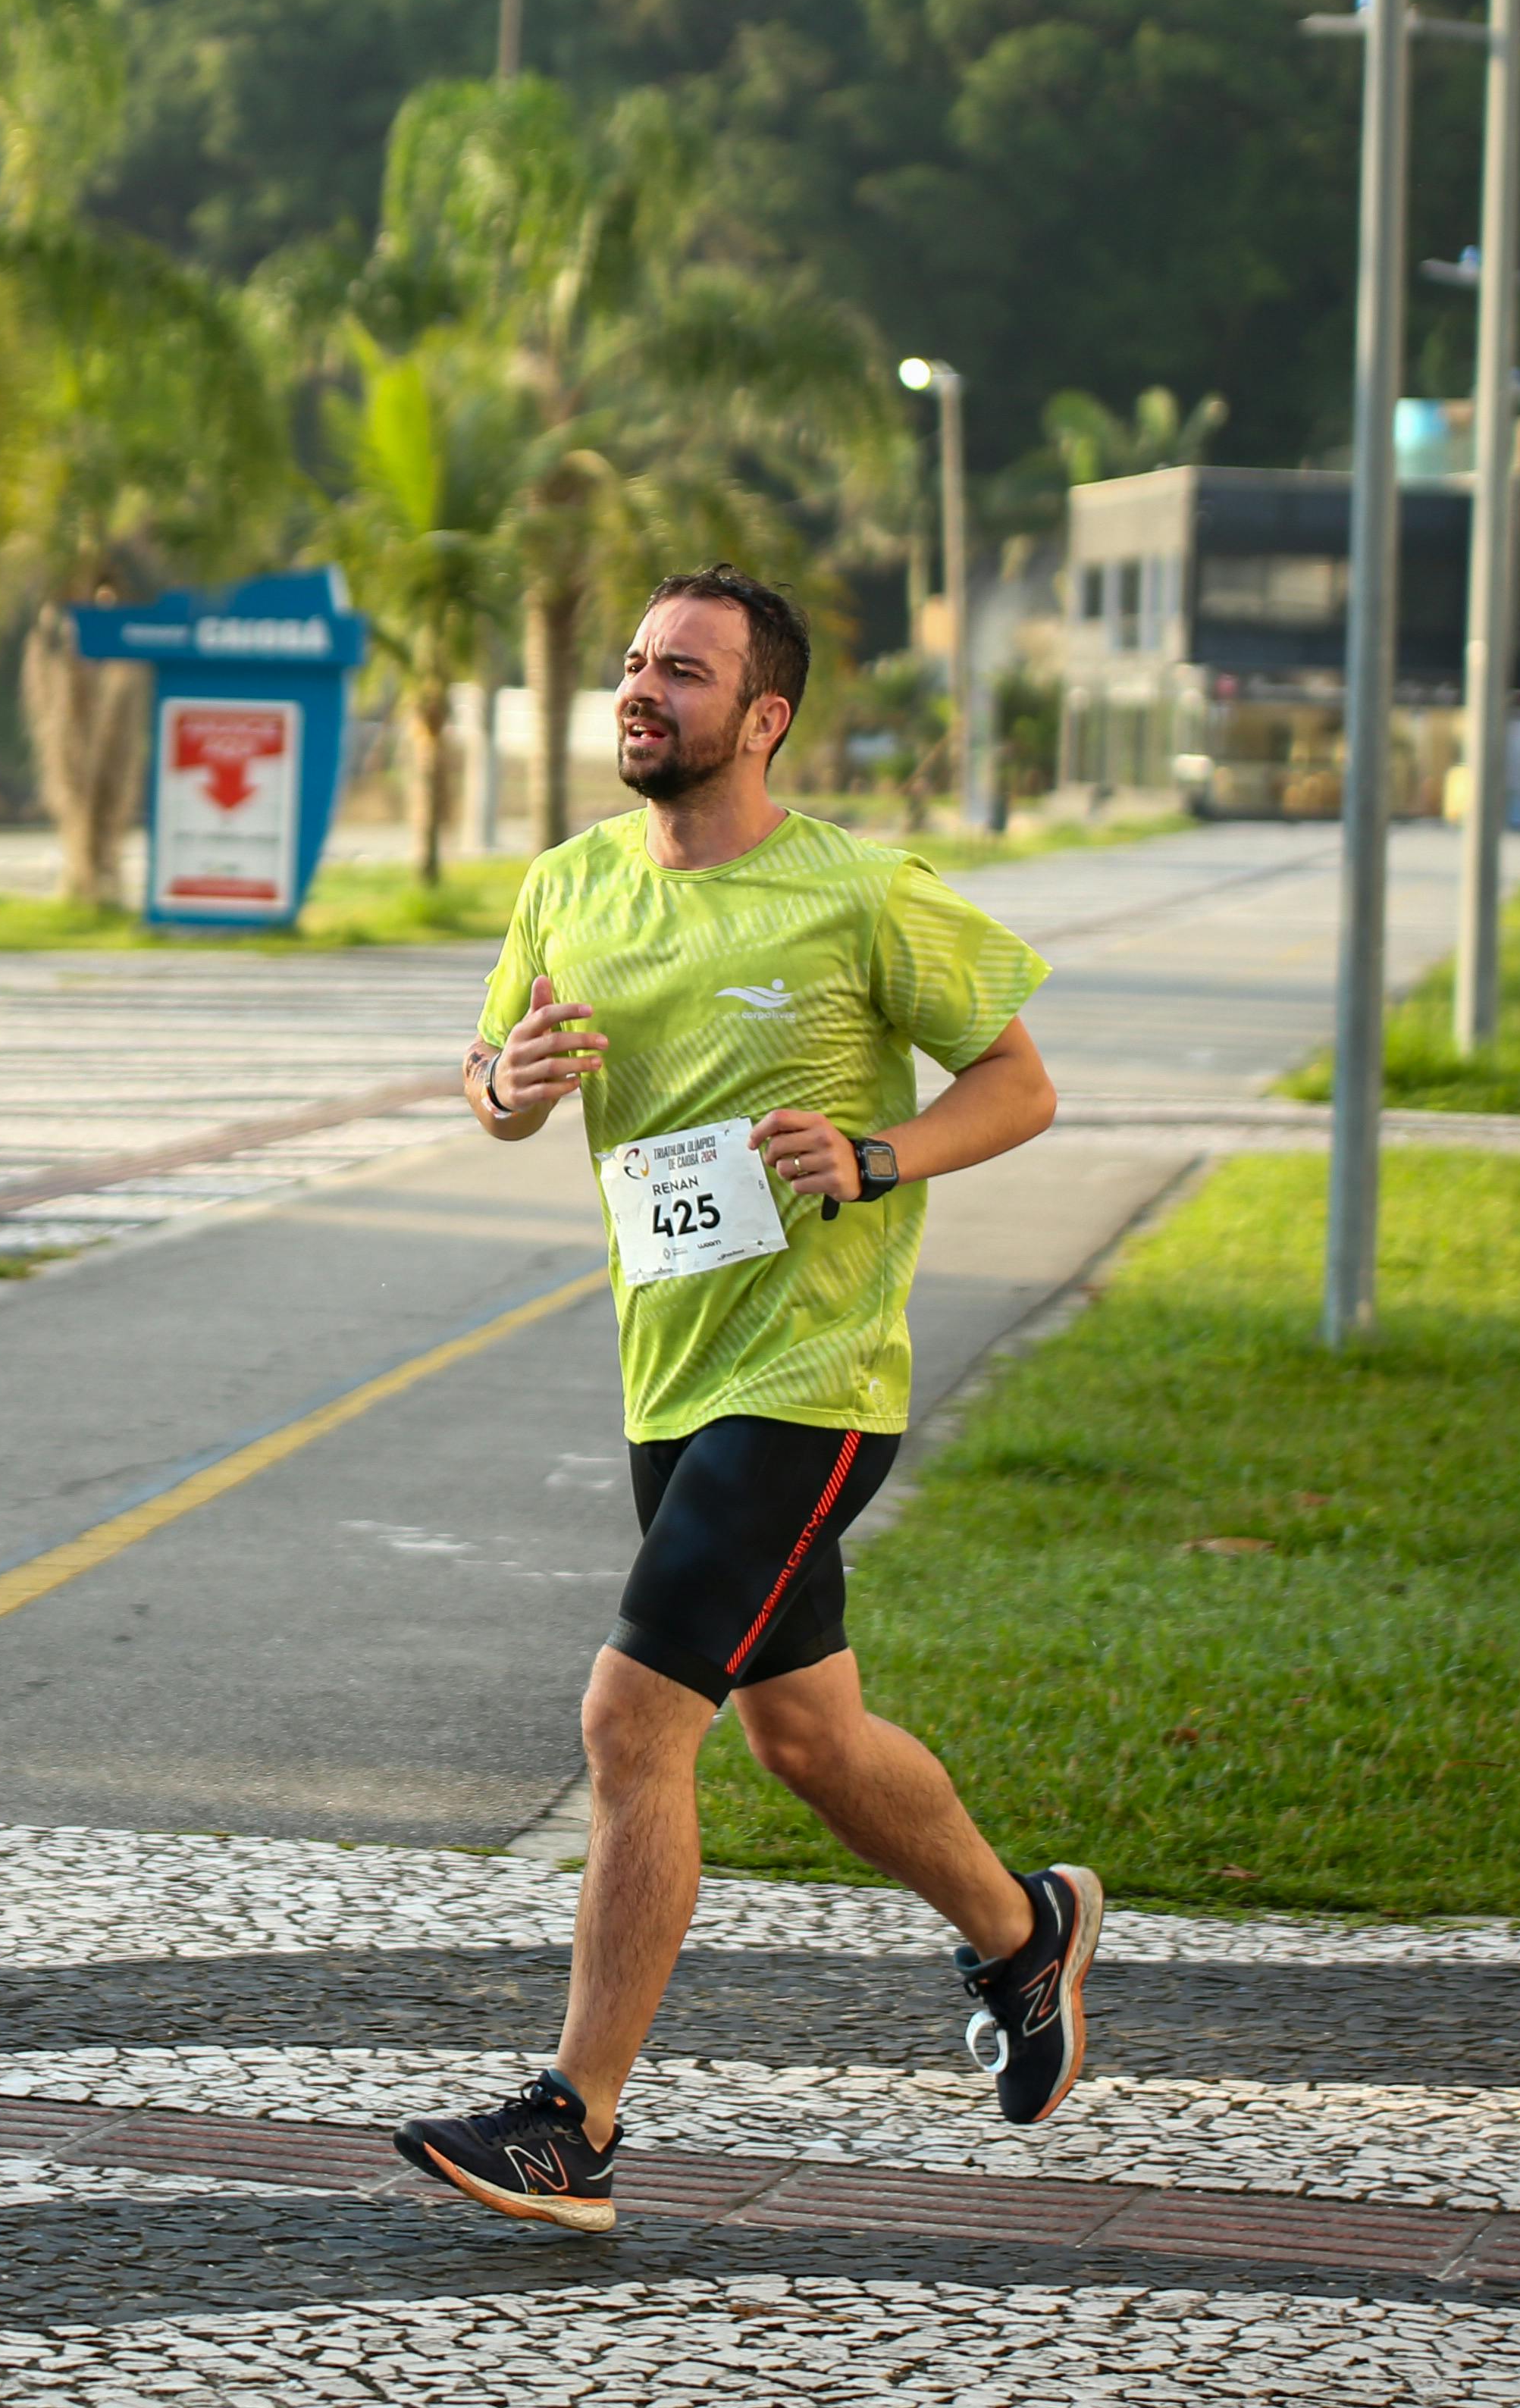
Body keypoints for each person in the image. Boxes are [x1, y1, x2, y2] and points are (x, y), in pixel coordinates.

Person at [393, 565, 1094, 2236]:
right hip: (672, 1373)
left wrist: (876, 1154)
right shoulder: (570, 883)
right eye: (635, 664)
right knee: (807, 1733)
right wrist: (511, 1086)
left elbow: (1021, 1082)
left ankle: (579, 2123)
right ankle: (1024, 1936)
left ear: (763, 718)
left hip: (814, 1377)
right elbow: (487, 1079)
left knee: (635, 1724)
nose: (642, 691)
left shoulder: (859, 894)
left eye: (683, 674)